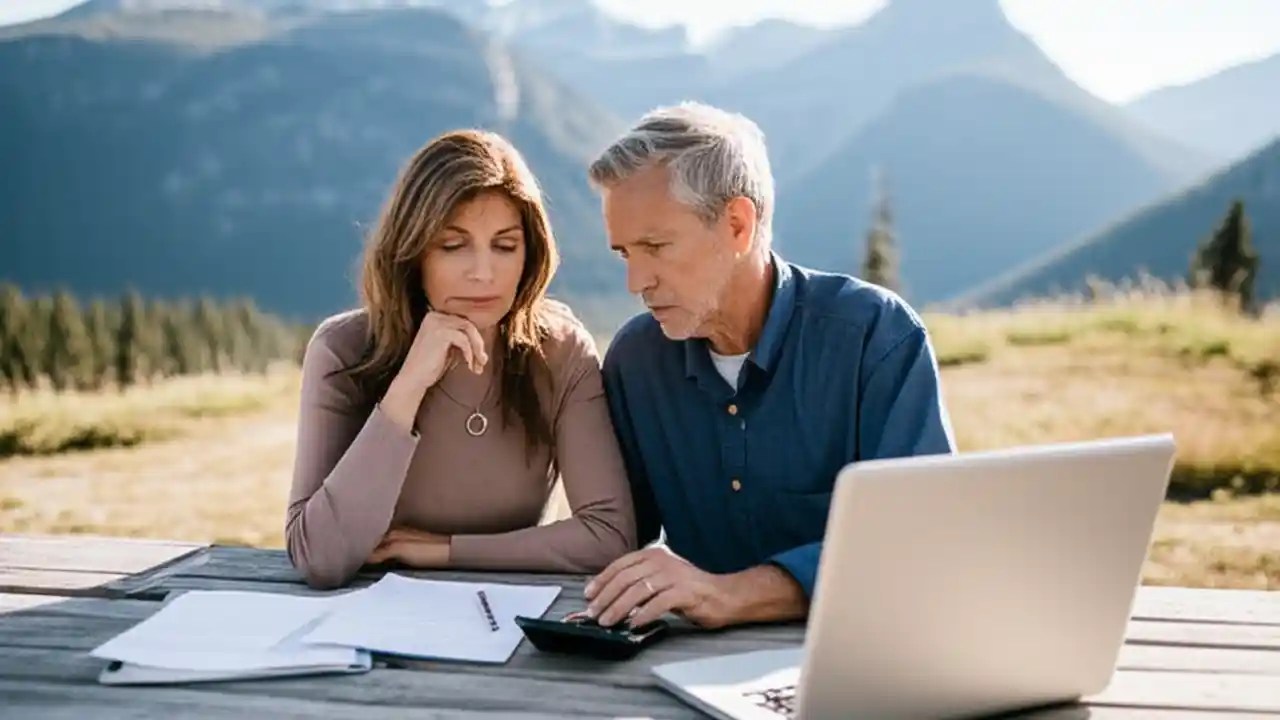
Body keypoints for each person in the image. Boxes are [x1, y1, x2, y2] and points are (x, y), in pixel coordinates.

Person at [582, 102, 956, 629]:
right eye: (624, 253)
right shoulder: (635, 362)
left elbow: (919, 536)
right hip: (684, 668)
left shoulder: (876, 336)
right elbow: (617, 537)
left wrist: (730, 596)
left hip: (865, 647)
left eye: (656, 247)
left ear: (737, 225)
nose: (636, 281)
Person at [285, 129, 636, 589]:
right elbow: (320, 557)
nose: (484, 273)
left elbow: (608, 536)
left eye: (505, 246)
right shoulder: (343, 351)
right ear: (412, 253)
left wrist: (443, 550)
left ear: (530, 255)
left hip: (509, 628)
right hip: (369, 629)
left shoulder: (560, 352)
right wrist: (408, 386)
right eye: (453, 246)